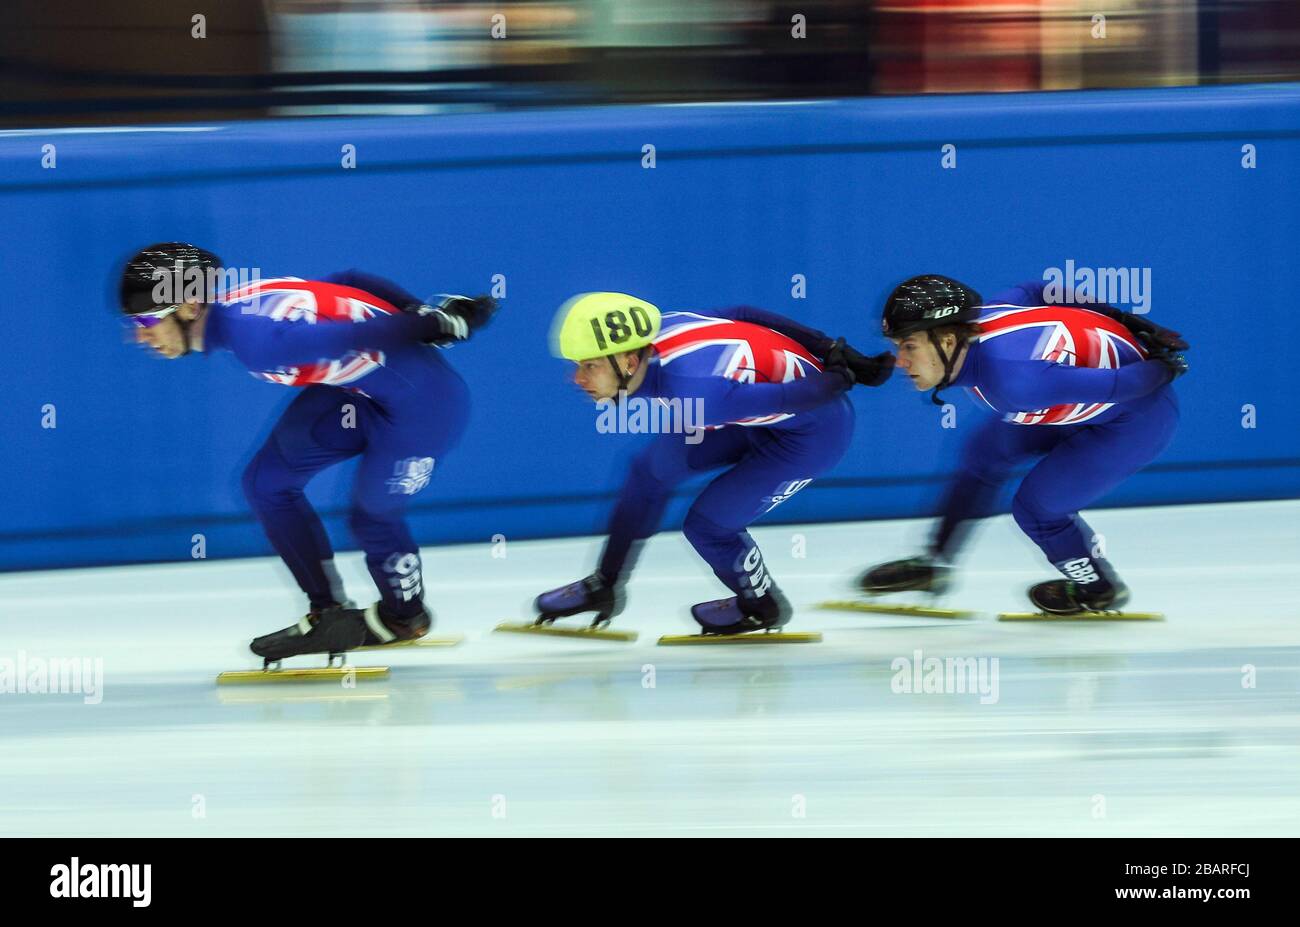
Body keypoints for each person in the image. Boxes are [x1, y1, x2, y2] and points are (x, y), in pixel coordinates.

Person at [119, 242, 496, 658]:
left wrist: (429, 323)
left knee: (371, 518)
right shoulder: (242, 305)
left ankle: (404, 618)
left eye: (146, 318)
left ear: (189, 306)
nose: (140, 335)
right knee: (266, 484)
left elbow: (354, 334)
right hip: (363, 394)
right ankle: (327, 614)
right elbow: (349, 280)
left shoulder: (257, 340)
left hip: (424, 404)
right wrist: (423, 315)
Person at [535, 291, 893, 636]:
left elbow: (800, 395)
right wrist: (828, 347)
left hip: (813, 431)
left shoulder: (697, 392)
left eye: (589, 366)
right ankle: (605, 586)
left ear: (629, 362)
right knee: (646, 474)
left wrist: (837, 372)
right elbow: (744, 312)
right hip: (751, 411)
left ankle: (762, 606)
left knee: (708, 526)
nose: (577, 379)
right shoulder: (662, 329)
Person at [859, 274, 1187, 614]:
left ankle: (1098, 589)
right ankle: (933, 564)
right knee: (982, 454)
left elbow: (1122, 386)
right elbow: (1038, 289)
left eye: (908, 346)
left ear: (945, 339)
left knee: (1037, 509)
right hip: (1076, 396)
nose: (900, 361)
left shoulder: (1015, 380)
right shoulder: (986, 319)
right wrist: (1125, 318)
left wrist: (1164, 367)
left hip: (1137, 417)